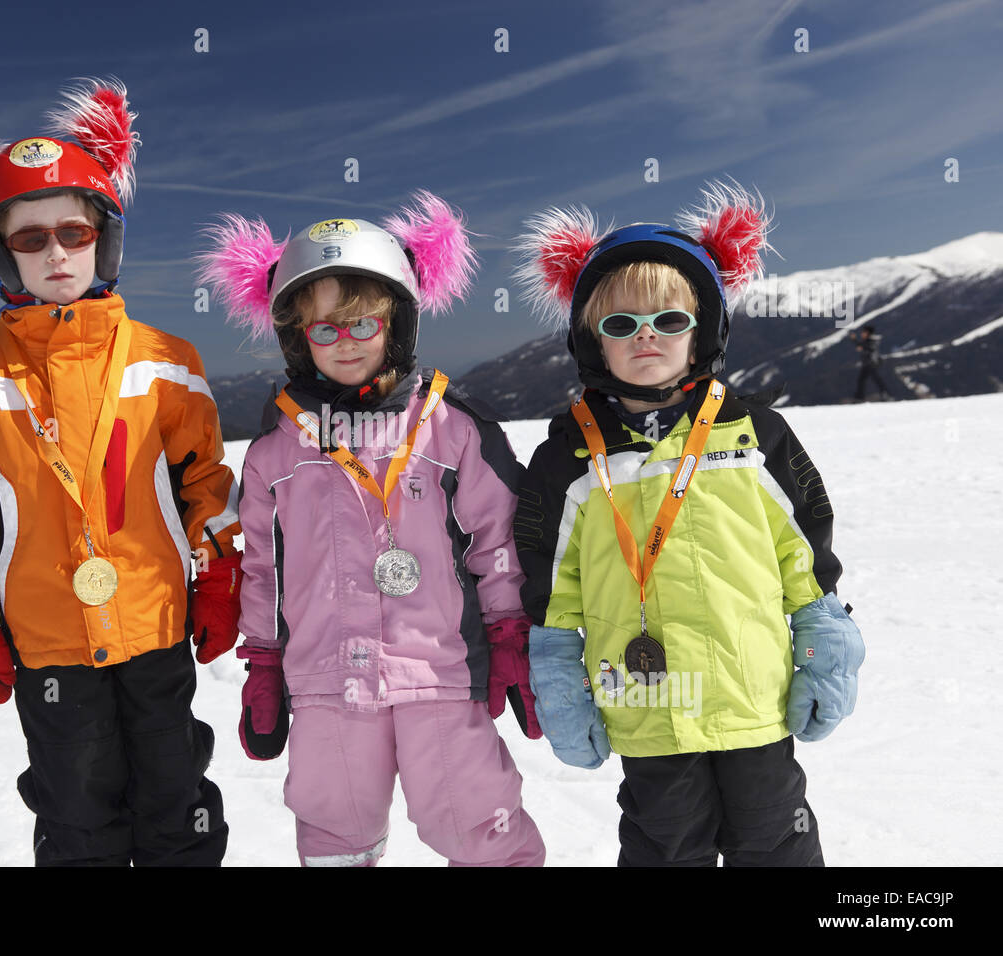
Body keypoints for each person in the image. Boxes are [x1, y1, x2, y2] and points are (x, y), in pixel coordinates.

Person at [0, 79, 241, 866]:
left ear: (103, 240)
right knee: (77, 813)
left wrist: (219, 574)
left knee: (174, 798)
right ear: (0, 251)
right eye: (29, 237)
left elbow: (204, 483)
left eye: (75, 232)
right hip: (47, 640)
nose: (55, 252)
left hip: (156, 625)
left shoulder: (166, 364)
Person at [511, 182, 865, 866]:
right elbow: (550, 580)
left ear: (702, 329)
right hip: (645, 702)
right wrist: (557, 674)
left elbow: (805, 550)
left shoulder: (753, 433)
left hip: (752, 695)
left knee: (775, 843)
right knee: (665, 846)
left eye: (669, 320)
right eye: (621, 324)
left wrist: (825, 634)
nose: (646, 336)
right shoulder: (568, 457)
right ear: (593, 342)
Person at [197, 194, 545, 866]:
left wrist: (509, 632)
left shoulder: (454, 429)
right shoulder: (276, 452)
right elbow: (263, 569)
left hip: (438, 676)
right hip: (326, 683)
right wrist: (264, 660)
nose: (344, 344)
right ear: (299, 340)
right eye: (323, 331)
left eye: (362, 324)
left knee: (477, 821)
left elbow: (496, 543)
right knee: (333, 830)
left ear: (397, 324)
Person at [853, 324, 891, 400]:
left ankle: (885, 395)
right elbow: (862, 346)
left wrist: (861, 347)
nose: (862, 333)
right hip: (868, 364)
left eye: (863, 332)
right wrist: (854, 340)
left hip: (871, 364)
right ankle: (885, 394)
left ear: (867, 332)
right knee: (869, 380)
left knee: (872, 380)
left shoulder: (872, 341)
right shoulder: (868, 341)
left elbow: (869, 348)